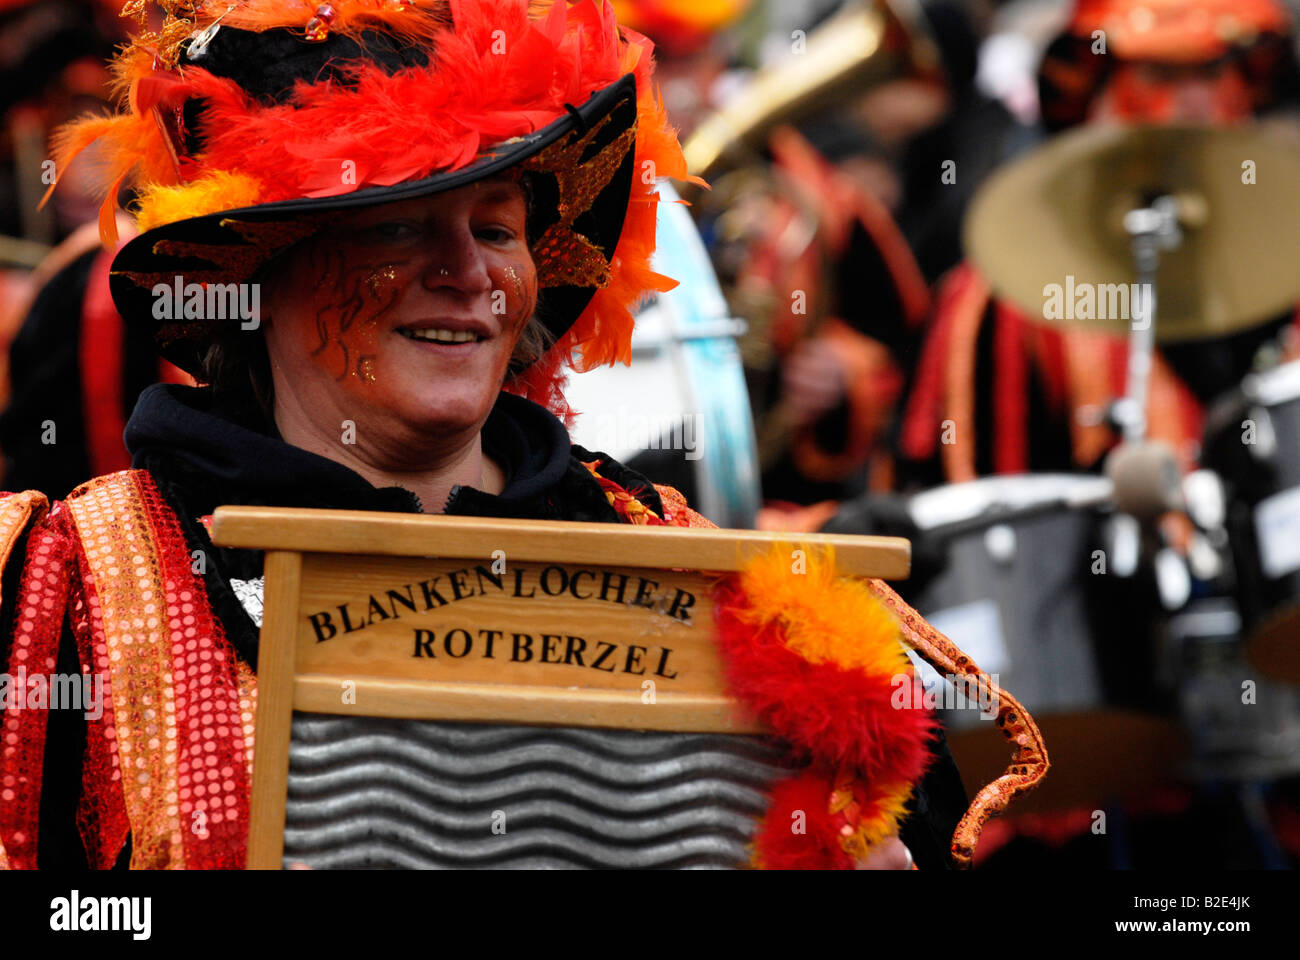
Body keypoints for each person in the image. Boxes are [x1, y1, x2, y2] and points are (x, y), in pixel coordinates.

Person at [0, 0, 997, 871]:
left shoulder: (690, 572)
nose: (467, 275)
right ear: (267, 274)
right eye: (395, 226)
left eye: (495, 227)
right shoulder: (71, 593)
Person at [894, 0, 1300, 488]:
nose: (1195, 103)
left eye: (1214, 72)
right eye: (1160, 74)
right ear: (1096, 103)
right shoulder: (1005, 301)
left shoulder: (1281, 265)